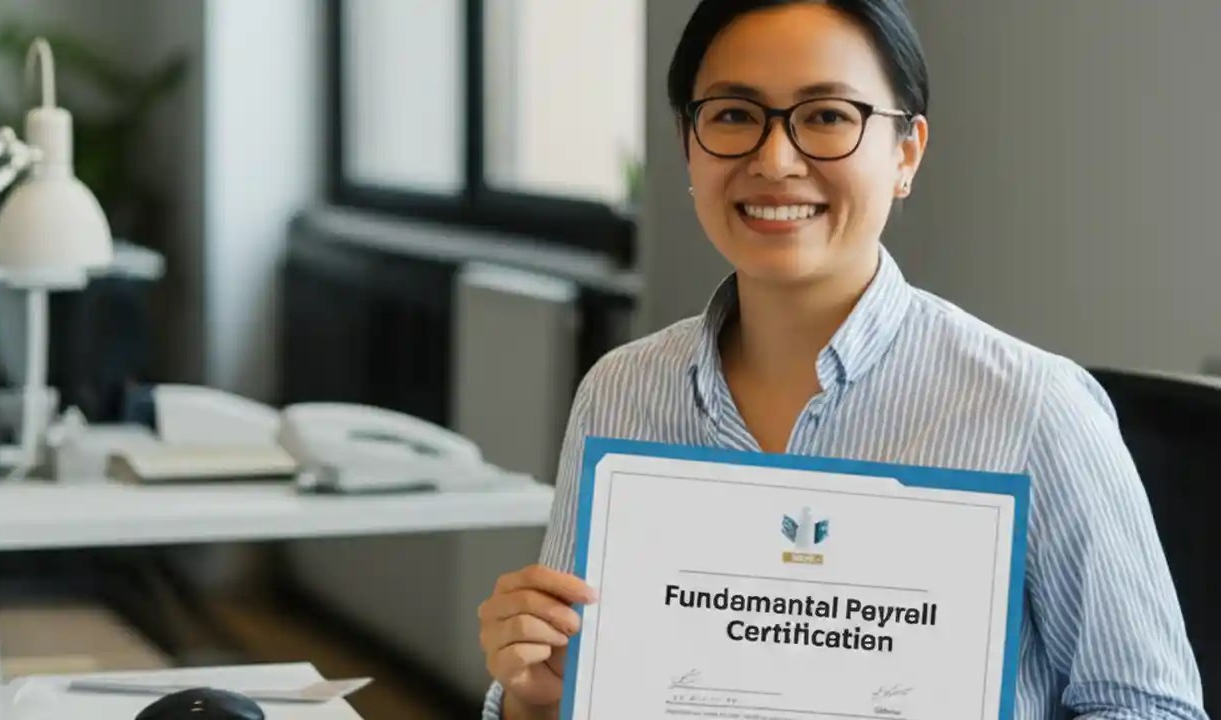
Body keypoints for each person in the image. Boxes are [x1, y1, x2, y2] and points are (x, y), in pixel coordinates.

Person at [476, 1, 1207, 718]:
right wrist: (537, 701)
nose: (775, 159)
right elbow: (578, 684)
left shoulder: (1033, 408)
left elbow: (1154, 708)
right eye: (733, 115)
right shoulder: (621, 392)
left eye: (827, 116)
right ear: (688, 146)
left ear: (905, 153)